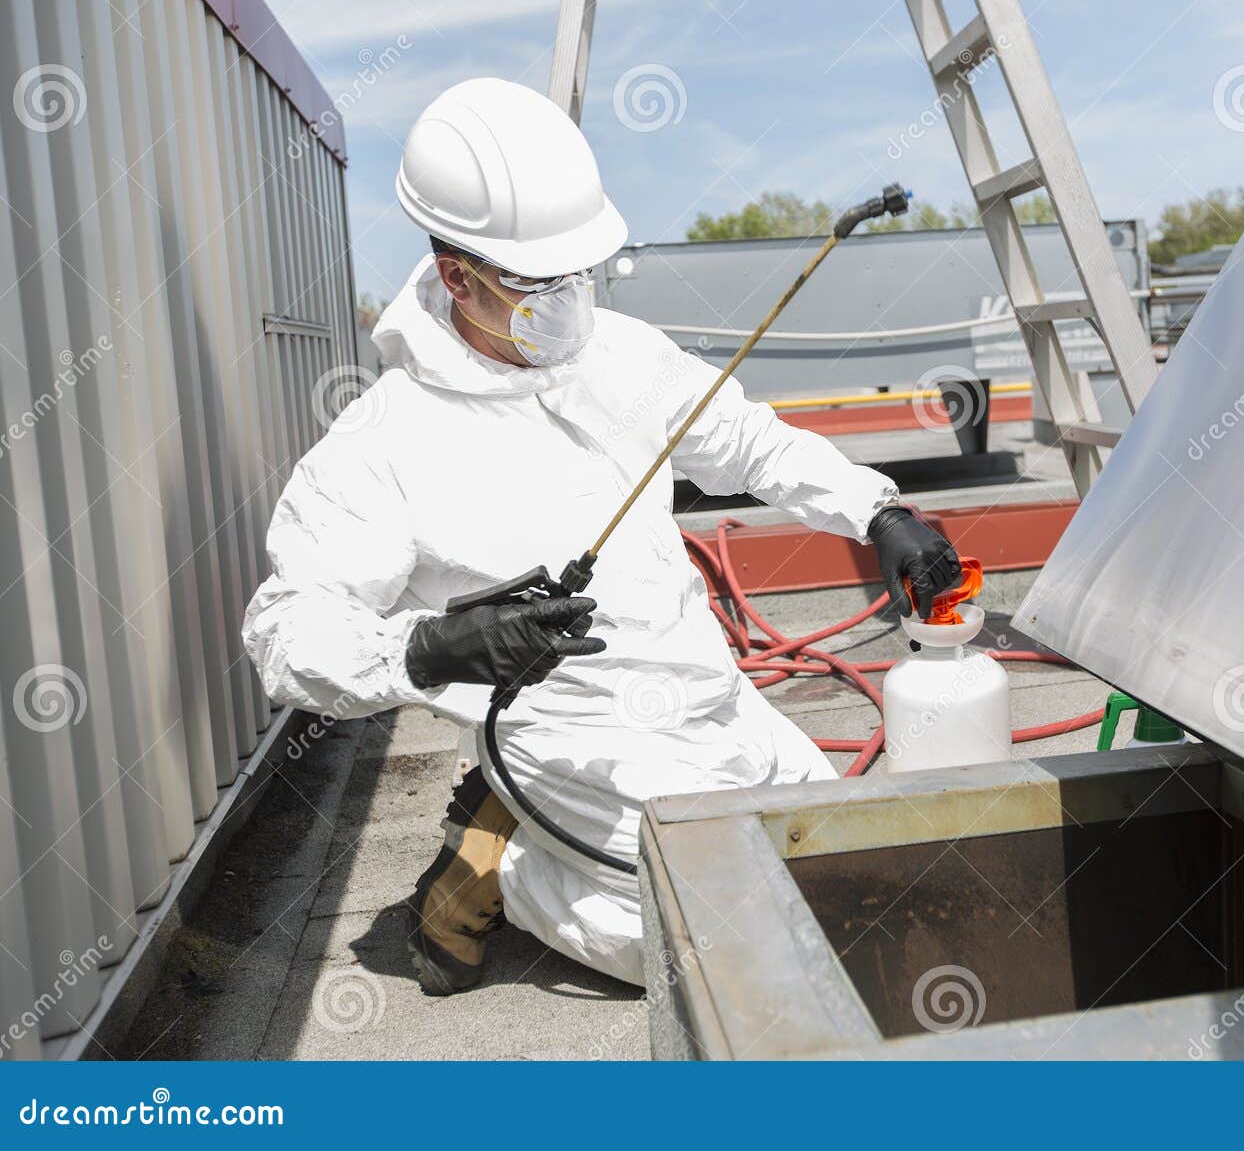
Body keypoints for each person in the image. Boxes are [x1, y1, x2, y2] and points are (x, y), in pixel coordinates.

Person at [242, 78, 959, 993]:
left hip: (707, 694)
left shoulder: (618, 354)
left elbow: (745, 439)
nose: (569, 299)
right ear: (458, 277)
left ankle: (527, 829)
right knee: (730, 952)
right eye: (539, 283)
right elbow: (285, 634)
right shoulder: (385, 440)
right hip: (565, 731)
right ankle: (502, 858)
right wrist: (429, 647)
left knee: (853, 882)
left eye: (579, 273)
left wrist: (876, 511)